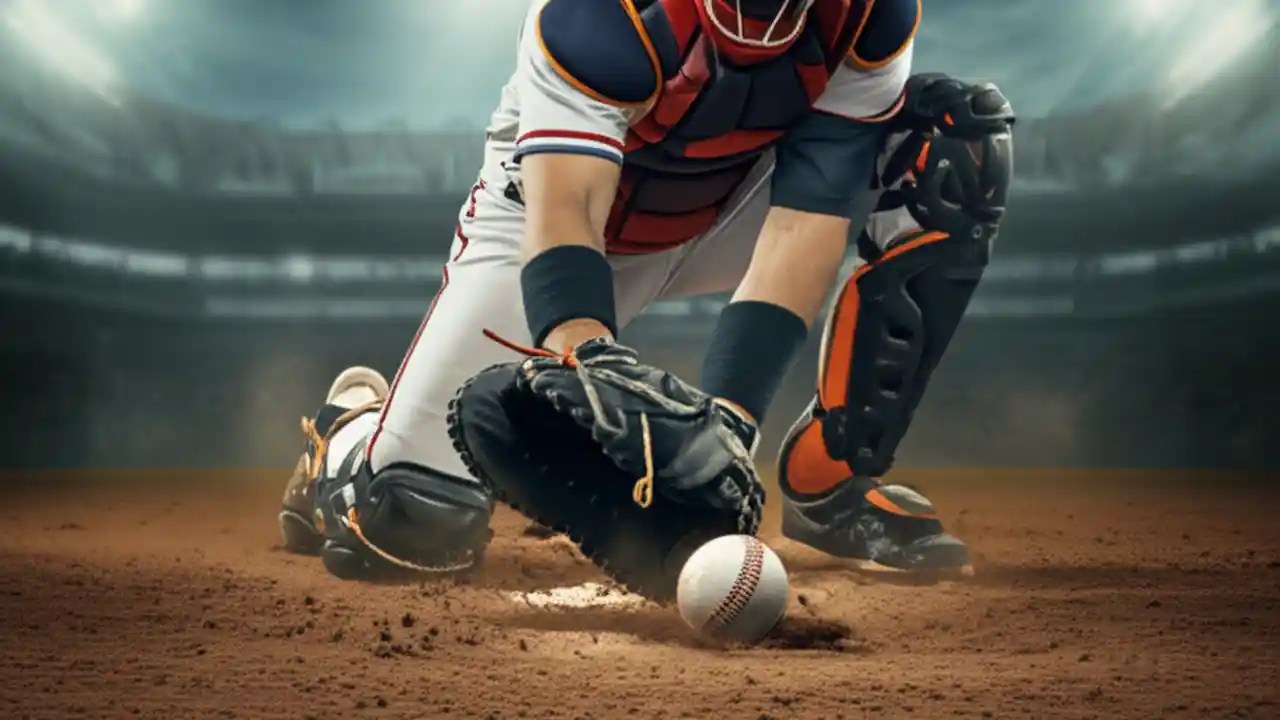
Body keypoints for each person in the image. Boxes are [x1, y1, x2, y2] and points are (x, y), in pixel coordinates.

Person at [277, 0, 1014, 593]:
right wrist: (588, 364)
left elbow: (805, 227)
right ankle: (348, 436)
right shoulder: (601, 17)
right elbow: (567, 215)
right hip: (549, 228)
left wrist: (729, 430)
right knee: (408, 526)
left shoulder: (866, 14)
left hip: (730, 201)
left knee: (951, 148)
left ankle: (830, 483)